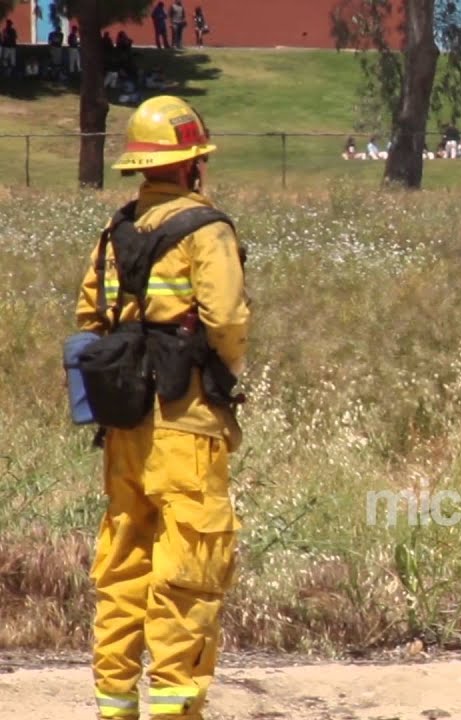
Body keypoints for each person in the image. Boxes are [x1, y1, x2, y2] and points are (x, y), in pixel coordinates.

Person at [75, 94, 249, 720]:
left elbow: (89, 321)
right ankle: (176, 710)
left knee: (122, 571)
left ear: (143, 168)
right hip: (187, 426)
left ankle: (115, 707)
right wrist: (227, 369)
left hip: (124, 428)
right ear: (192, 165)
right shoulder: (207, 230)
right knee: (187, 574)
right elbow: (226, 319)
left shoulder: (115, 230)